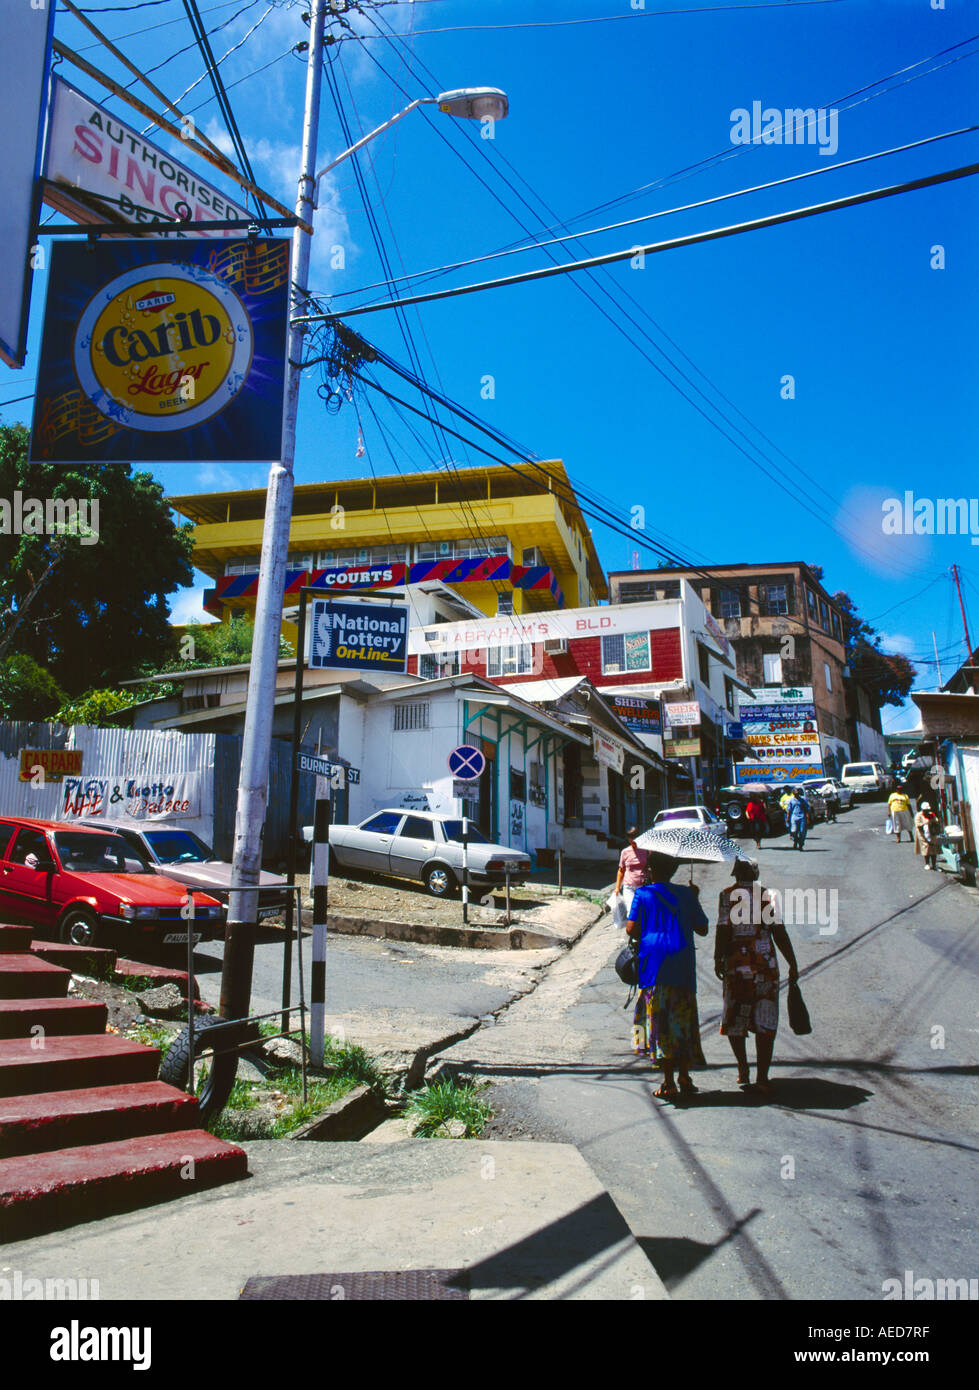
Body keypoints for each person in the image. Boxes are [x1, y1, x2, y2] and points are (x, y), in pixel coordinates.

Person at [626, 852, 709, 1100]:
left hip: (654, 964)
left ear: (652, 869)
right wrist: (694, 898)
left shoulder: (644, 894)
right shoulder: (686, 893)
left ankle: (668, 1081)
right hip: (682, 963)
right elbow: (702, 928)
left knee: (659, 1022)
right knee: (681, 1020)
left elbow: (631, 928)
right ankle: (684, 1076)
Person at [715, 859, 799, 1098]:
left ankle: (743, 1068)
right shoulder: (766, 896)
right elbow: (779, 931)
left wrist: (717, 958)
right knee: (765, 1020)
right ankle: (762, 1076)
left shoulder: (726, 896)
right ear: (755, 874)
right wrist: (792, 962)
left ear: (734, 875)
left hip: (736, 968)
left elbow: (723, 929)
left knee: (735, 1019)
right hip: (765, 968)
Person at [614, 828, 649, 920]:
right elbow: (621, 870)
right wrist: (617, 887)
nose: (633, 840)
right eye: (631, 838)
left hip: (643, 886)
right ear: (628, 838)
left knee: (643, 912)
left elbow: (650, 868)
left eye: (635, 837)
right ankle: (633, 933)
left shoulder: (646, 851)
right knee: (631, 912)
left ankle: (641, 932)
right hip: (629, 886)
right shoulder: (625, 852)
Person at [914, 800, 940, 870]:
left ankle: (934, 864)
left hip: (931, 833)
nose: (927, 811)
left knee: (933, 847)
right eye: (925, 810)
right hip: (922, 833)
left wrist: (933, 825)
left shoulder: (932, 814)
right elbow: (918, 825)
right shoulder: (918, 815)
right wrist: (926, 824)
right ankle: (927, 863)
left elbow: (936, 821)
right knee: (926, 847)